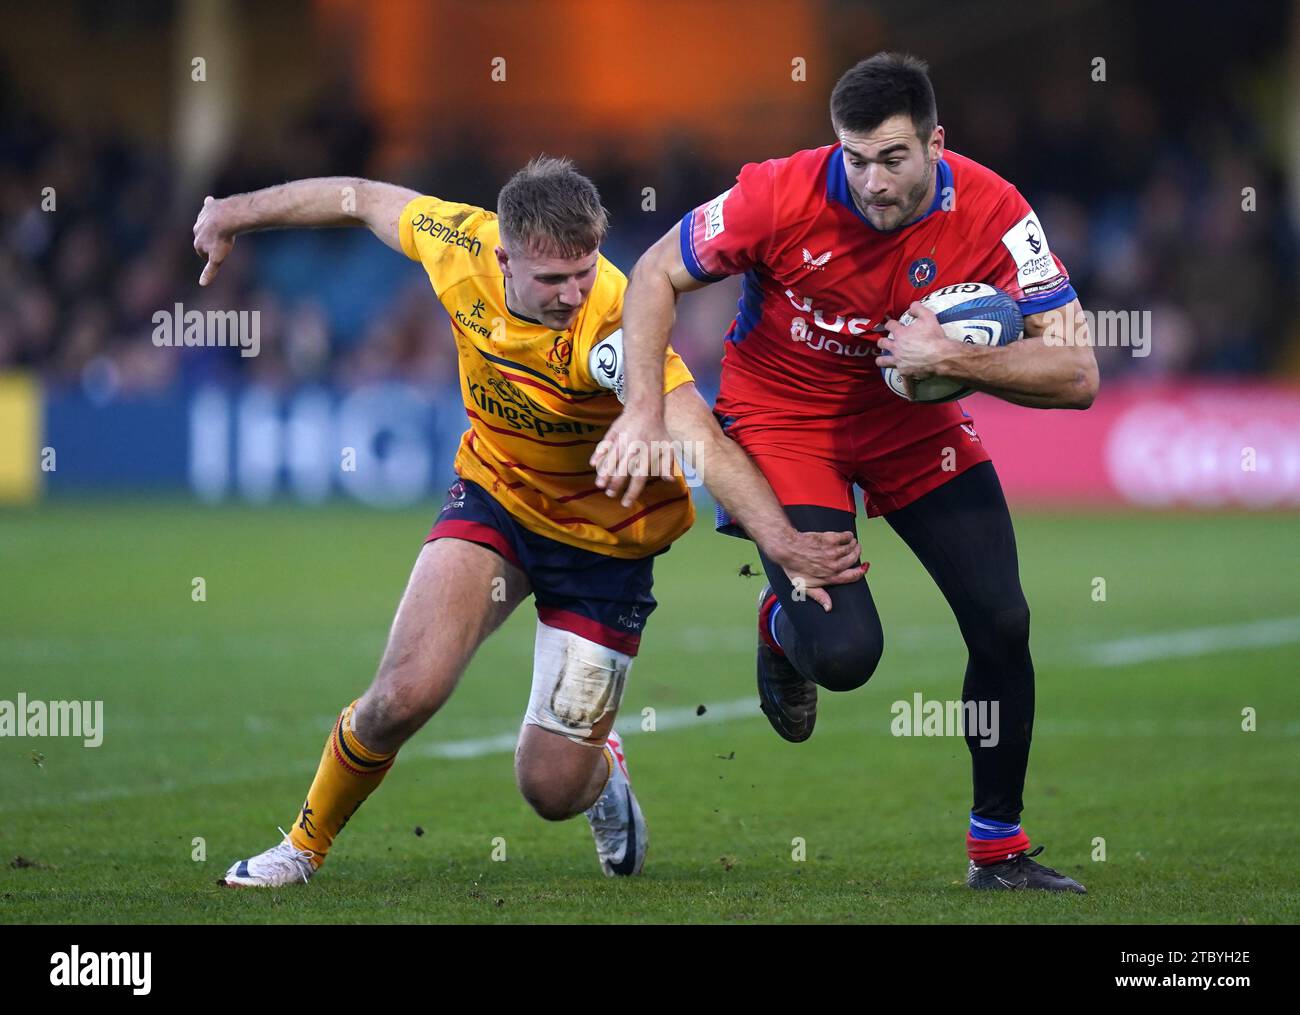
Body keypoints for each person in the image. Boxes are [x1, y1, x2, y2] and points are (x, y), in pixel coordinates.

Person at [192, 157, 864, 886]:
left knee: (549, 788)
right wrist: (230, 213)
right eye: (552, 279)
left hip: (607, 549)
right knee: (400, 697)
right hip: (498, 500)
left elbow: (698, 433)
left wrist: (783, 542)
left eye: (584, 271)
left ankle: (602, 772)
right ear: (504, 259)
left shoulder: (614, 319)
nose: (573, 293)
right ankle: (301, 846)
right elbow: (357, 197)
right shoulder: (458, 242)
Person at [593, 54, 1098, 892]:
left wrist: (953, 359)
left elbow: (1078, 372)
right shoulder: (776, 193)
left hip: (911, 423)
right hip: (784, 418)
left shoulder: (998, 211)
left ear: (936, 143)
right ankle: (780, 627)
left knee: (1003, 620)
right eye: (855, 159)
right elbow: (652, 274)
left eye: (893, 158)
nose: (871, 182)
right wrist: (646, 407)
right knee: (847, 654)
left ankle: (998, 849)